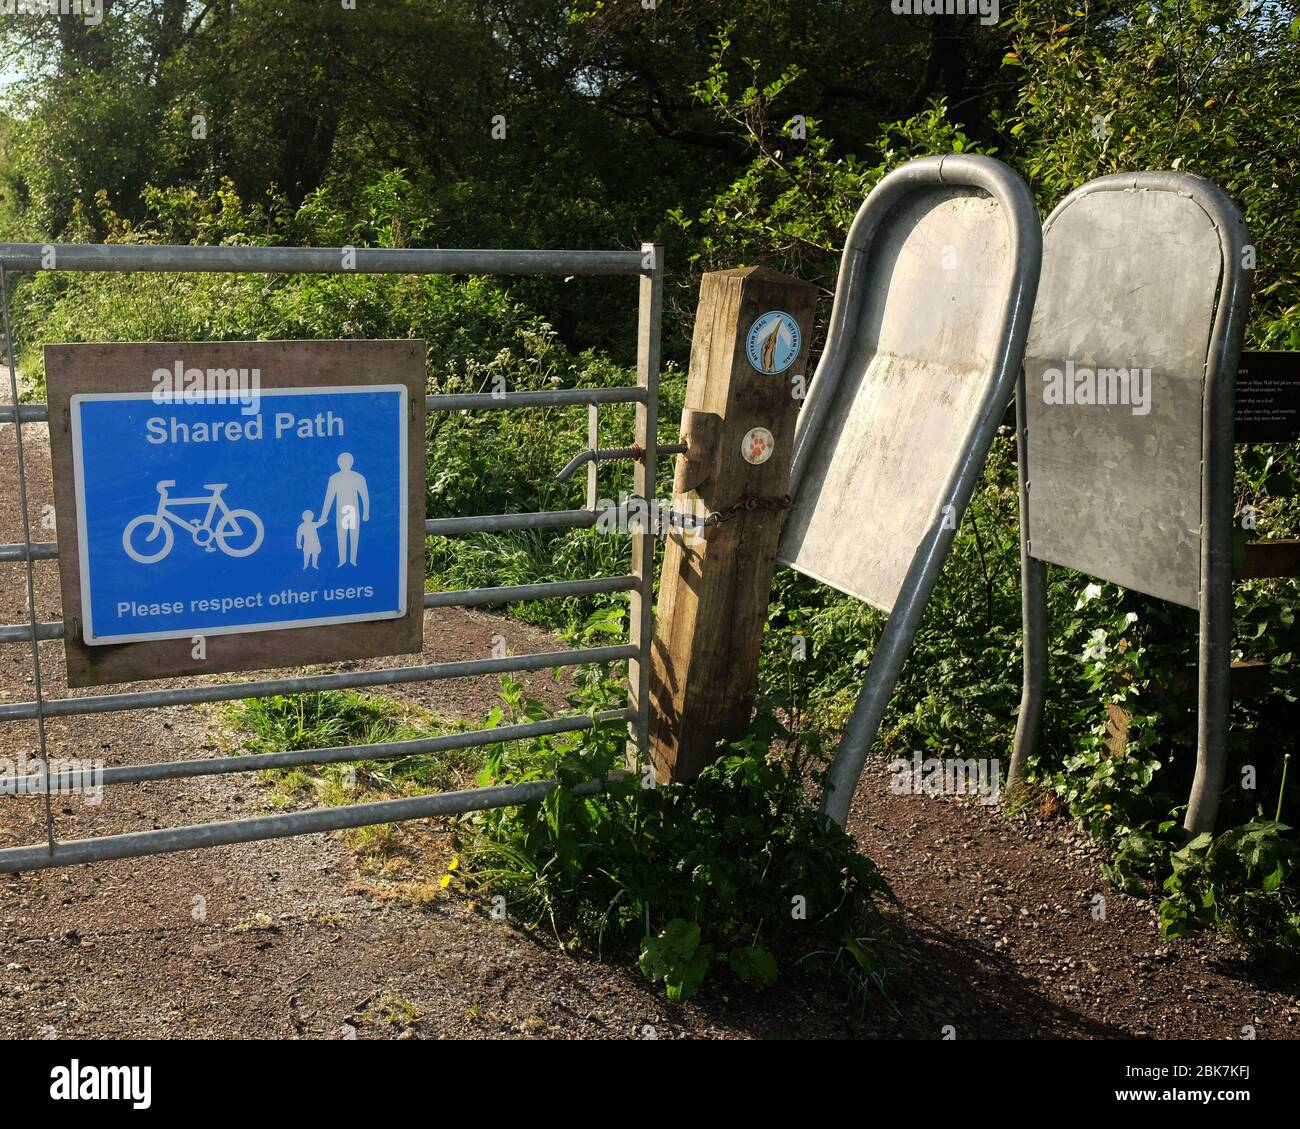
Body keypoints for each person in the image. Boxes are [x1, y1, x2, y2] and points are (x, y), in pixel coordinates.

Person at [320, 452, 369, 566]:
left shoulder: (358, 477)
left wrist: (366, 513)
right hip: (341, 511)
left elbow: (365, 497)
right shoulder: (334, 478)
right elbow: (329, 498)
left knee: (354, 534)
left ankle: (353, 559)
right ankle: (342, 560)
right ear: (339, 463)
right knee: (341, 534)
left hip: (353, 511)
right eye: (343, 462)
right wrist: (324, 516)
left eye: (347, 462)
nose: (345, 464)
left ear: (351, 463)